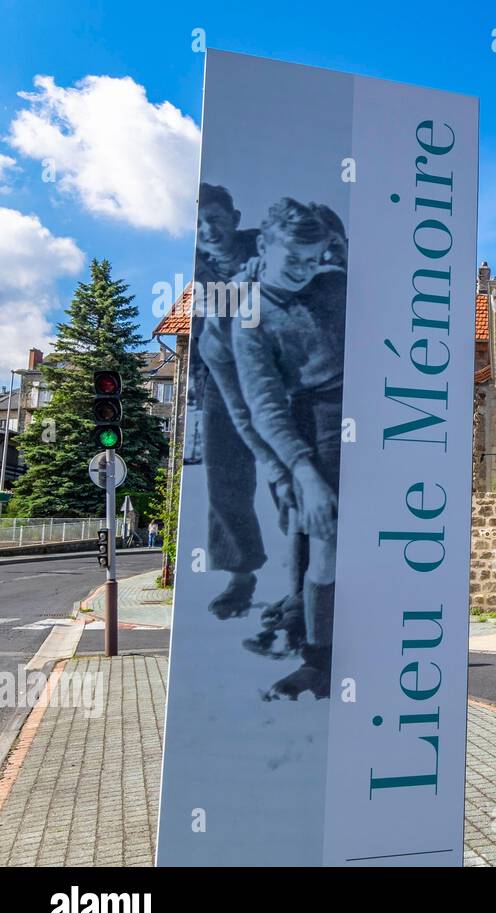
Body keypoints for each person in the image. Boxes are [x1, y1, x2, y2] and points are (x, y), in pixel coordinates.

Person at [232, 198, 346, 701]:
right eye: (292, 261)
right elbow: (264, 408)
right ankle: (318, 662)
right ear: (263, 246)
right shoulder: (250, 319)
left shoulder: (335, 285)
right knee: (325, 543)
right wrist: (303, 473)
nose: (304, 272)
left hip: (374, 411)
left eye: (311, 260)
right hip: (313, 430)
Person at [193, 184, 270, 620]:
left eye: (218, 219)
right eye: (201, 223)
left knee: (307, 468)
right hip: (222, 377)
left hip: (282, 369)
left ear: (235, 217)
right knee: (225, 477)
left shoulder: (264, 241)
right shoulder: (200, 268)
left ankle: (314, 578)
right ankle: (240, 575)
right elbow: (216, 318)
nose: (210, 230)